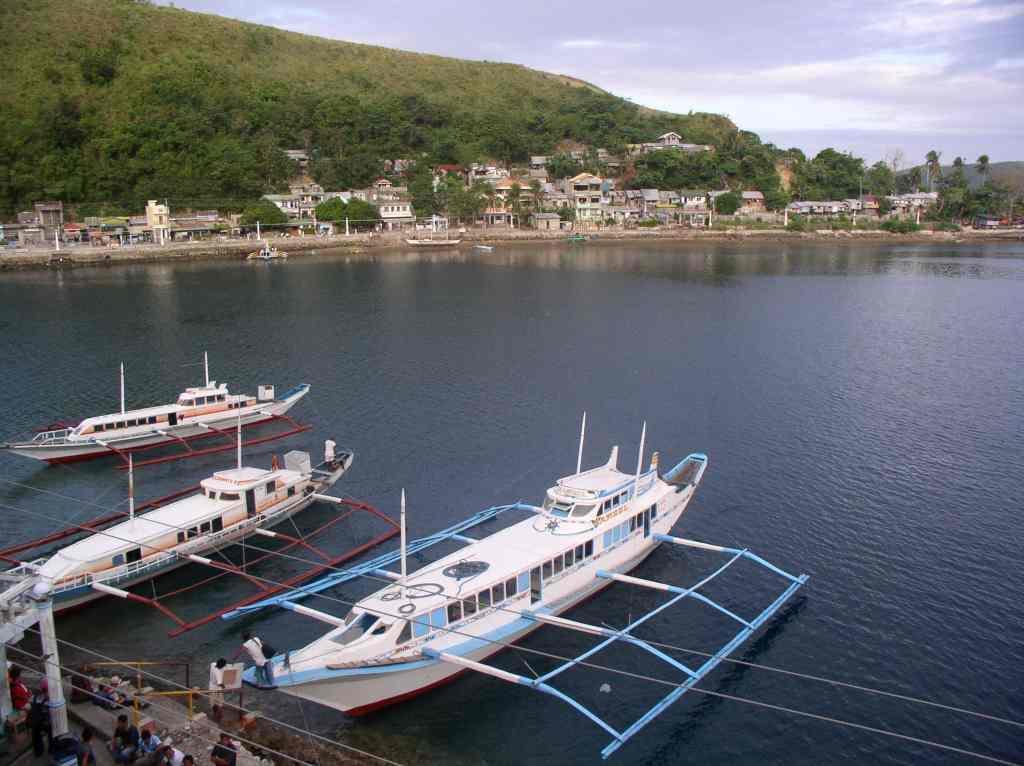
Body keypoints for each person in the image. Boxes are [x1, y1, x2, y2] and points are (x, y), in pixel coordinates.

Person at [28, 684, 51, 757]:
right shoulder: (47, 701)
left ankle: (38, 752)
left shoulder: (33, 698)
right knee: (52, 731)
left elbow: (31, 706)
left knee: (36, 735)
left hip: (34, 722)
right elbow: (47, 712)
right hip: (42, 722)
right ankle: (52, 748)